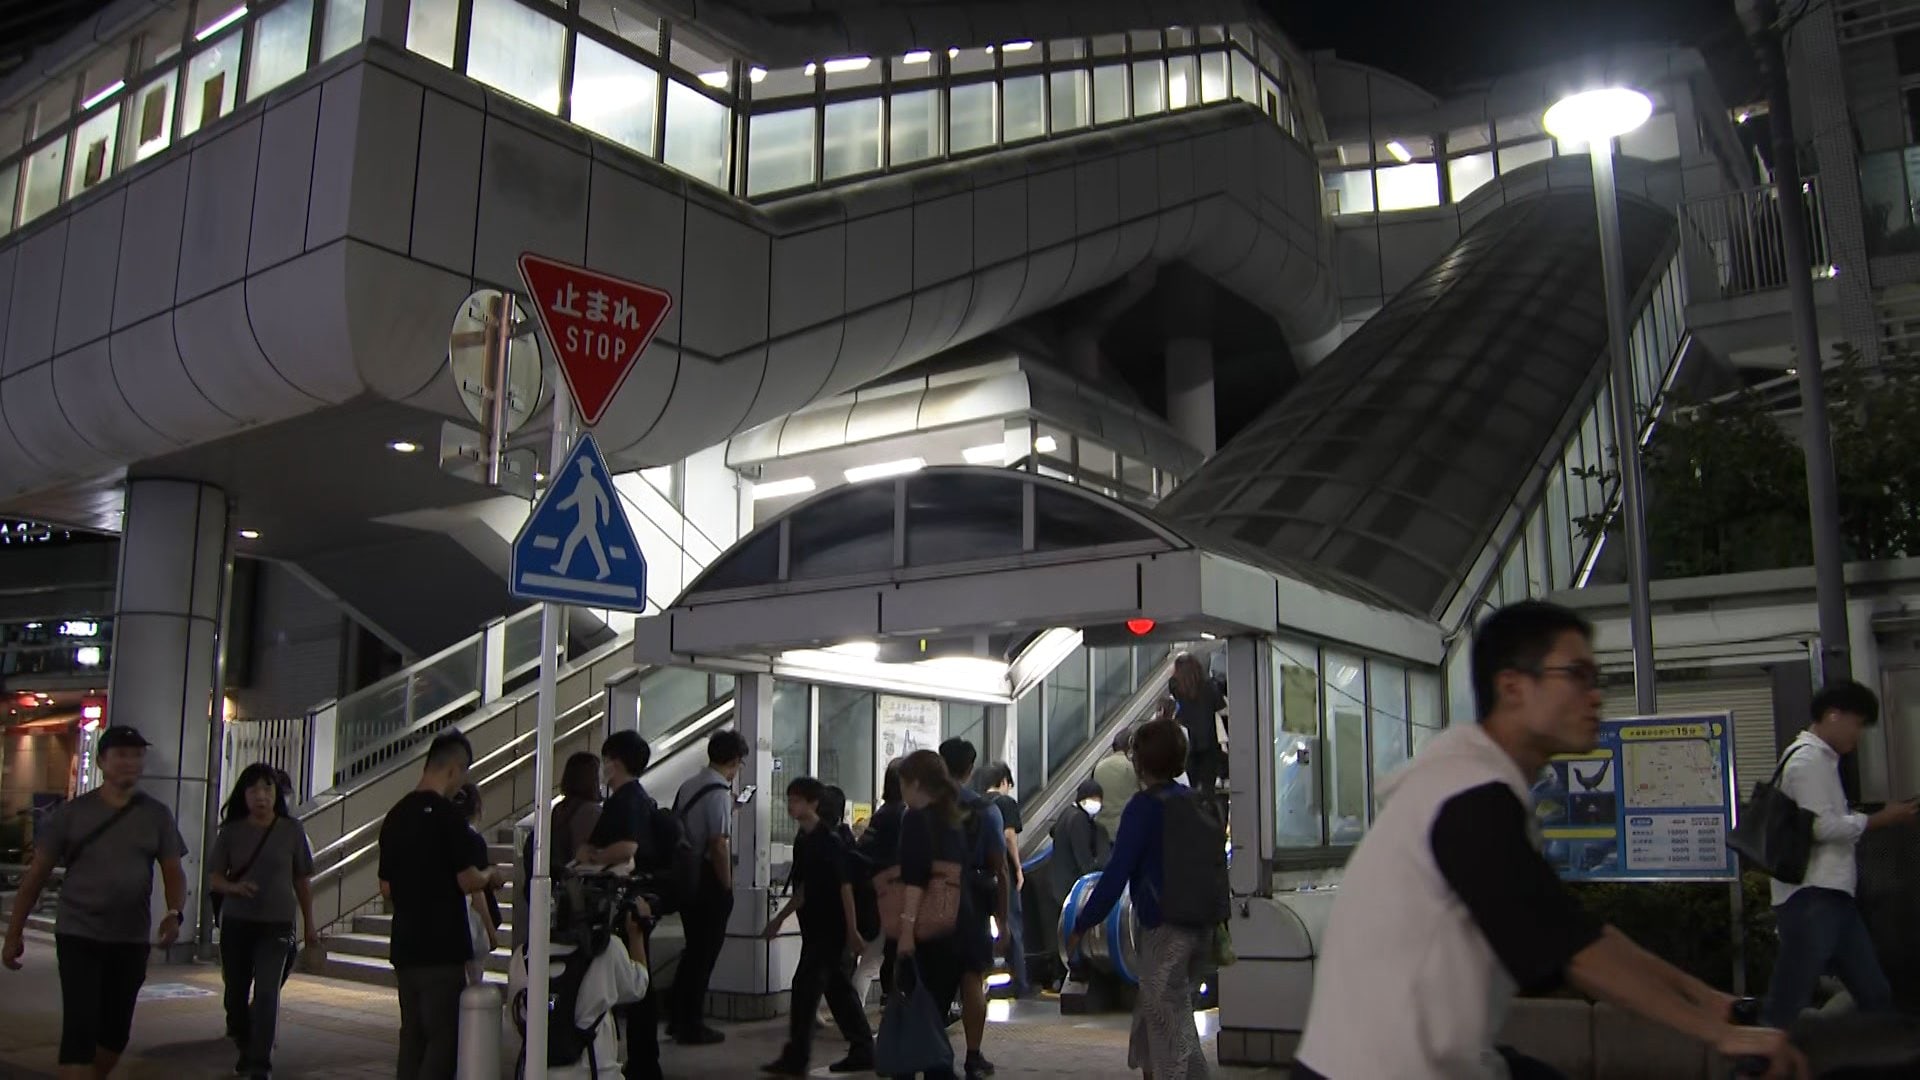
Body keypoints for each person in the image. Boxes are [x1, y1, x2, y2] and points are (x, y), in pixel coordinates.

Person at [1293, 601, 1806, 1079]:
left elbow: (1581, 933)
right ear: (1513, 687)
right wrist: (1720, 1035)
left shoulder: (1477, 783)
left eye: (1595, 678)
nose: (1595, 695)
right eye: (1576, 675)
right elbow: (1579, 956)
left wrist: (1708, 1000)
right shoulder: (1464, 795)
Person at [3, 725, 187, 1080]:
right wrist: (14, 933)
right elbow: (36, 876)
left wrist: (173, 913)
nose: (130, 762)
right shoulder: (72, 814)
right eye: (121, 755)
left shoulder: (157, 815)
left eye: (137, 755)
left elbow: (173, 871)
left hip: (129, 938)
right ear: (102, 761)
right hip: (78, 934)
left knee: (115, 1035)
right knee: (80, 1029)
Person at [1761, 679, 1917, 1031]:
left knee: (1874, 992)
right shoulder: (1808, 761)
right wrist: (1881, 819)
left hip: (1832, 896)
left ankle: (1882, 1054)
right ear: (1833, 715)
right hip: (1812, 896)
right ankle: (1756, 1057)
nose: (1858, 735)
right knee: (1787, 1002)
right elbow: (1822, 827)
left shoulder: (1820, 761)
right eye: (1857, 723)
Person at [1065, 719, 1211, 1080]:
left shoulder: (1143, 808)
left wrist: (1082, 924)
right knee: (1155, 1014)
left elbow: (1116, 875)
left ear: (1140, 762)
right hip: (1202, 927)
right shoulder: (1197, 802)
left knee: (1170, 1029)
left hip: (1165, 929)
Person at [377, 731, 506, 1080]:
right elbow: (467, 880)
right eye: (463, 773)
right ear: (454, 769)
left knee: (412, 1036)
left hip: (405, 946)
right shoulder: (448, 817)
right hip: (442, 947)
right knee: (442, 1038)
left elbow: (385, 887)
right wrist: (490, 875)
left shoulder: (395, 816)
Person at [209, 762, 320, 1079]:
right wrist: (234, 888)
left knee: (268, 992)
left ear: (277, 793)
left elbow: (302, 881)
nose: (261, 795)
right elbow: (214, 878)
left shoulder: (292, 830)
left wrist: (310, 925)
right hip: (237, 923)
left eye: (267, 788)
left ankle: (259, 1064)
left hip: (277, 925)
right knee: (235, 996)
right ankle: (246, 1044)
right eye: (253, 789)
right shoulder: (231, 832)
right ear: (243, 795)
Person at [761, 777, 875, 1076]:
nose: (791, 806)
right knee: (837, 989)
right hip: (818, 928)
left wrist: (852, 930)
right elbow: (804, 889)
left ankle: (798, 1057)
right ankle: (863, 1047)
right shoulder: (807, 839)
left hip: (829, 929)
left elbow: (845, 887)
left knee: (805, 990)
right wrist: (779, 919)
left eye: (797, 800)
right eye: (789, 799)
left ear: (814, 803)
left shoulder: (828, 841)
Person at [880, 750, 974, 1080]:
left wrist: (906, 932)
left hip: (926, 935)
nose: (902, 792)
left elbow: (915, 879)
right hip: (955, 930)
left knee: (917, 1016)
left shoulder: (916, 819)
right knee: (932, 1017)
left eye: (904, 785)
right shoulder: (953, 817)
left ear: (916, 784)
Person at [576, 730, 663, 1080]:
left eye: (607, 759)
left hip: (623, 902)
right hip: (627, 898)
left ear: (618, 762)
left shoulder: (628, 800)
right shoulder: (631, 798)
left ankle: (643, 1062)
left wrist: (594, 856)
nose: (604, 766)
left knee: (636, 980)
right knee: (633, 979)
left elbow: (627, 848)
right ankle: (641, 1060)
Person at [668, 729, 748, 1045]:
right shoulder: (718, 792)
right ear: (734, 761)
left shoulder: (689, 785)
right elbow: (718, 844)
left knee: (692, 952)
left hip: (686, 878)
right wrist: (727, 887)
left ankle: (677, 1018)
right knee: (703, 955)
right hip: (707, 880)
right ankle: (692, 1024)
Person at [937, 738, 1009, 1080]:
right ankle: (973, 1055)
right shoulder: (985, 810)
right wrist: (1003, 922)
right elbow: (1000, 868)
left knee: (933, 982)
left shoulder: (924, 808)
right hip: (971, 904)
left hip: (933, 901)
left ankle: (935, 1056)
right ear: (970, 769)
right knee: (972, 978)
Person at [551, 901, 655, 1080]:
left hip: (537, 1068)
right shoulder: (608, 948)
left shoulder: (525, 954)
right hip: (595, 1070)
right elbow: (638, 986)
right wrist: (636, 934)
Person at [976, 762, 1030, 997]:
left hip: (979, 874)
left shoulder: (976, 803)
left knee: (982, 928)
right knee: (1011, 924)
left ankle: (982, 982)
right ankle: (1019, 983)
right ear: (1004, 782)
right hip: (1001, 872)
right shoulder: (1006, 802)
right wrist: (1017, 867)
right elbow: (1009, 836)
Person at [858, 759, 908, 1000]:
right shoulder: (902, 815)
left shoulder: (882, 813)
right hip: (891, 895)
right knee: (875, 960)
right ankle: (855, 1012)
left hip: (873, 892)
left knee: (874, 957)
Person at [451, 783, 502, 986]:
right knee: (472, 983)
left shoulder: (448, 837)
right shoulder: (473, 840)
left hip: (449, 928)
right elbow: (476, 892)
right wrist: (491, 931)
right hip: (469, 925)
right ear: (478, 808)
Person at [1168, 653, 1228, 800]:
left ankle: (1192, 808)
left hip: (1186, 742)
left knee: (1190, 785)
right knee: (1208, 788)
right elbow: (1223, 710)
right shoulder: (1209, 686)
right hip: (1209, 743)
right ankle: (1207, 809)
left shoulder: (1175, 687)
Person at [1091, 726, 1139, 844]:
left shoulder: (1099, 766)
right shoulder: (1132, 768)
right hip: (1125, 830)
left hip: (1101, 831)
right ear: (1130, 745)